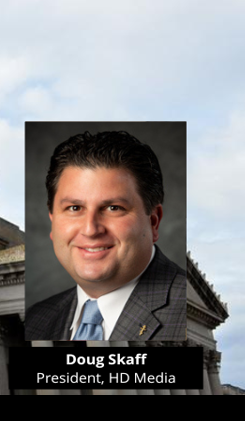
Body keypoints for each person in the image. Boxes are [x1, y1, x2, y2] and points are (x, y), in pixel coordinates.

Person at [25, 131, 187, 341]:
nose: (91, 229)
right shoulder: (36, 320)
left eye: (113, 208)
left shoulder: (185, 310)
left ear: (153, 221)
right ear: (53, 220)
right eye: (74, 208)